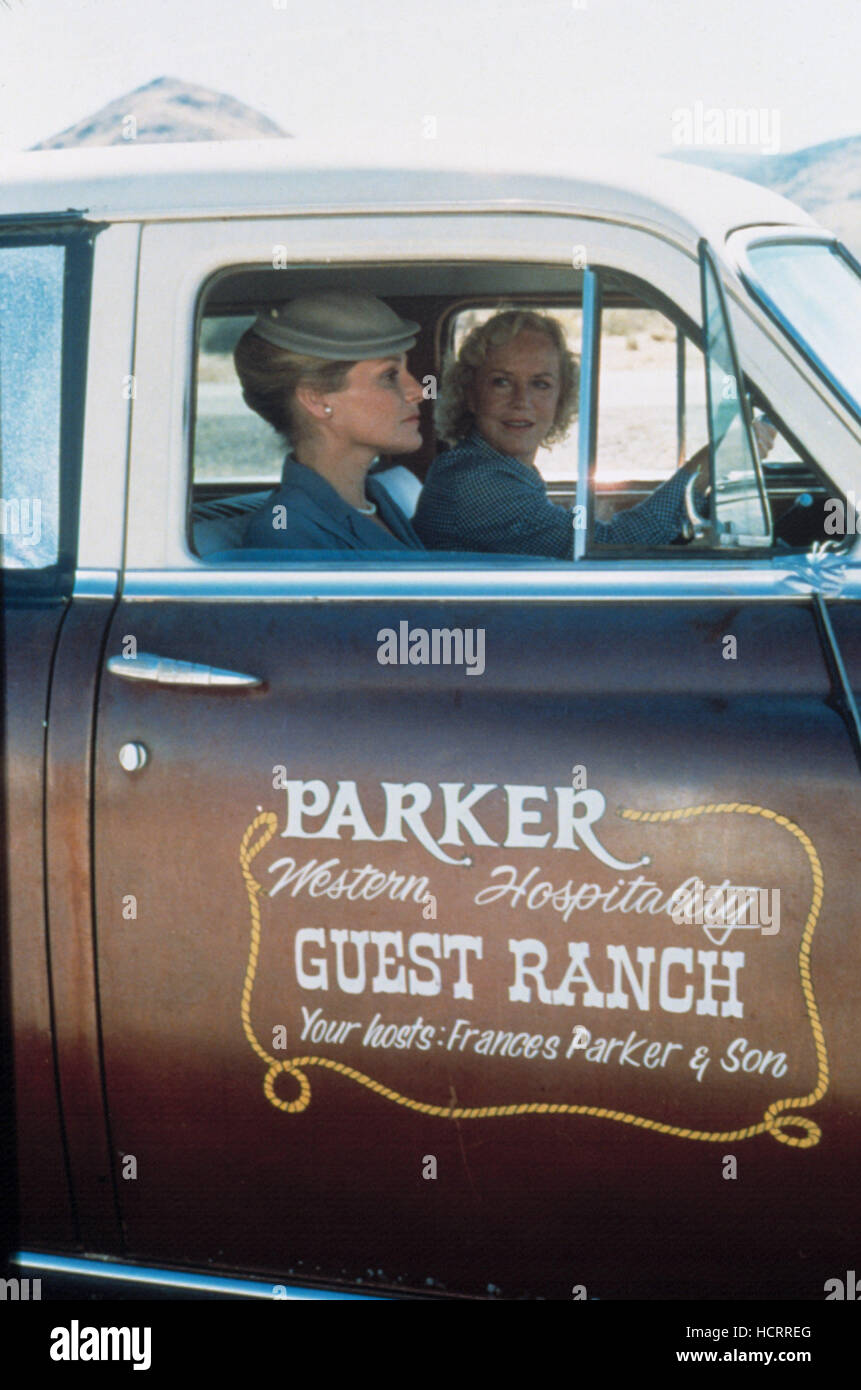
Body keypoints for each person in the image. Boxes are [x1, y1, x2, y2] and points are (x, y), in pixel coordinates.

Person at [413, 309, 771, 556]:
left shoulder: (496, 469)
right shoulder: (473, 482)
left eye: (540, 384)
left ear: (559, 397)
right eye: (502, 382)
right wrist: (706, 466)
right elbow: (608, 547)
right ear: (471, 394)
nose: (522, 401)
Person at [235, 290, 426, 551]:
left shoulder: (376, 499)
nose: (418, 390)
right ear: (316, 399)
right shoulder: (286, 533)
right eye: (389, 376)